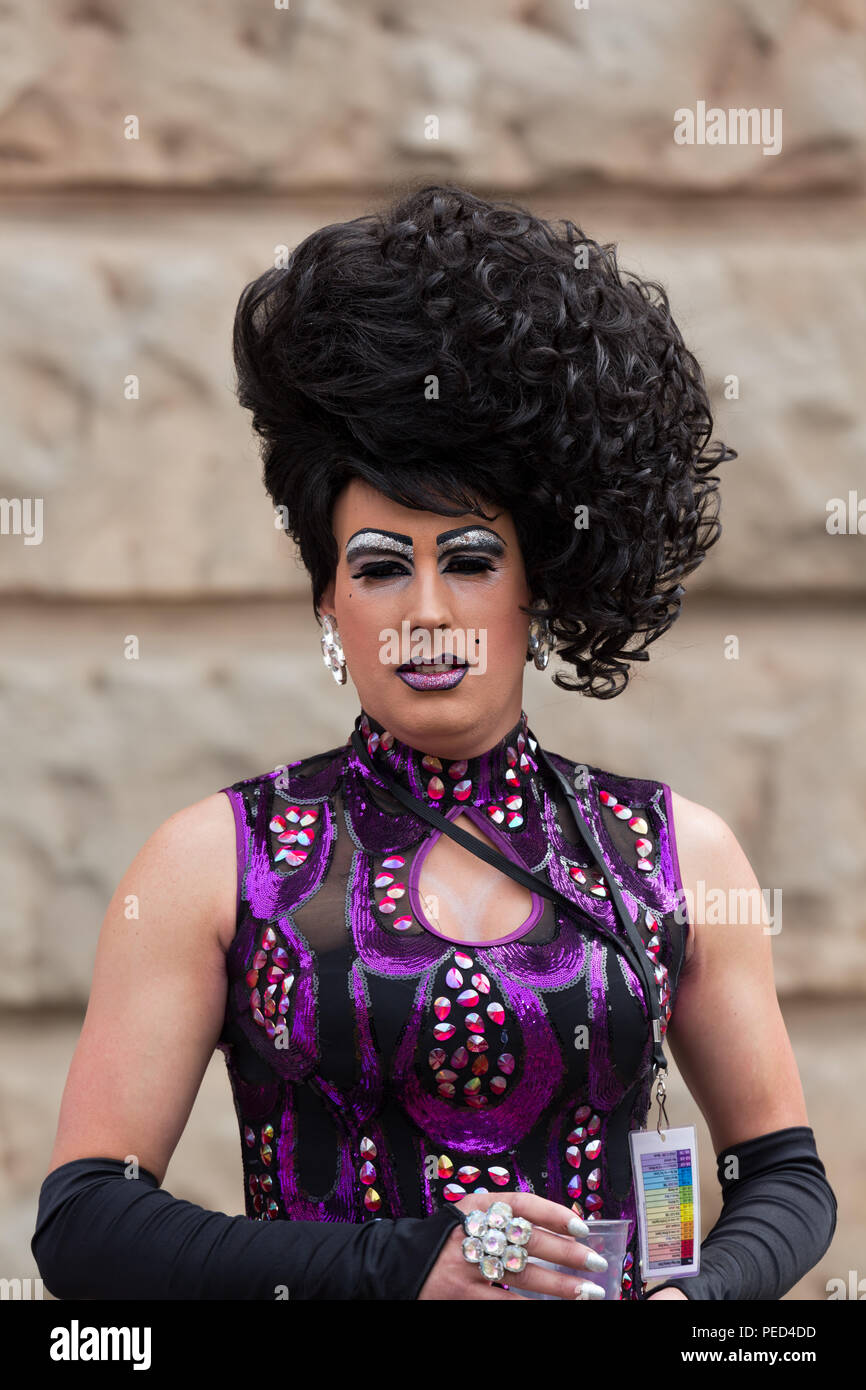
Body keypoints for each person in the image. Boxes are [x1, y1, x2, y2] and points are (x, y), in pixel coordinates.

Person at [31, 184, 835, 1301]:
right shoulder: (215, 859)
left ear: (536, 583)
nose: (425, 610)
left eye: (466, 559)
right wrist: (405, 1265)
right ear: (325, 600)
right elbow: (87, 1222)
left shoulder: (671, 852)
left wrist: (694, 1302)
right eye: (375, 565)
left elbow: (783, 1174)